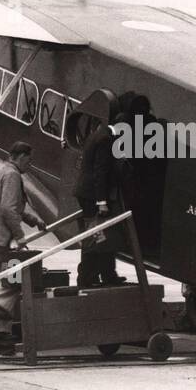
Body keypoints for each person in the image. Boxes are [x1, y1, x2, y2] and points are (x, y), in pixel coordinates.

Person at [0, 141, 46, 356]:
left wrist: (33, 220)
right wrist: (20, 237)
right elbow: (8, 209)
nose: (30, 164)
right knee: (15, 280)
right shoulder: (13, 175)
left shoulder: (4, 172)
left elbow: (12, 206)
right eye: (29, 159)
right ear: (20, 157)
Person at [74, 95, 124, 288]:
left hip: (87, 192)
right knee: (96, 235)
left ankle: (106, 274)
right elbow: (100, 172)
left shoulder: (99, 133)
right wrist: (101, 201)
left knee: (102, 234)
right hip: (91, 195)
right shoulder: (105, 140)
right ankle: (86, 277)